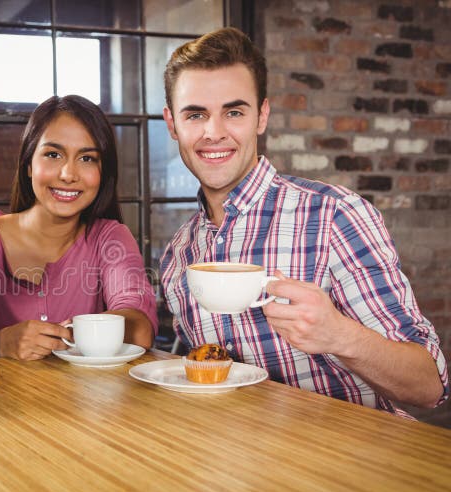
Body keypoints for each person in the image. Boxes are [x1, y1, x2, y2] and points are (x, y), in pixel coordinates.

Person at [159, 28, 448, 415]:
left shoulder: (334, 215)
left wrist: (339, 335)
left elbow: (429, 386)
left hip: (349, 463)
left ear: (261, 116)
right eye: (196, 114)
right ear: (171, 123)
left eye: (234, 112)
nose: (214, 133)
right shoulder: (178, 255)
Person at [0, 95, 157, 360]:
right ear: (29, 164)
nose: (68, 174)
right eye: (53, 154)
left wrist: (72, 332)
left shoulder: (109, 238)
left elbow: (139, 328)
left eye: (87, 159)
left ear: (102, 172)